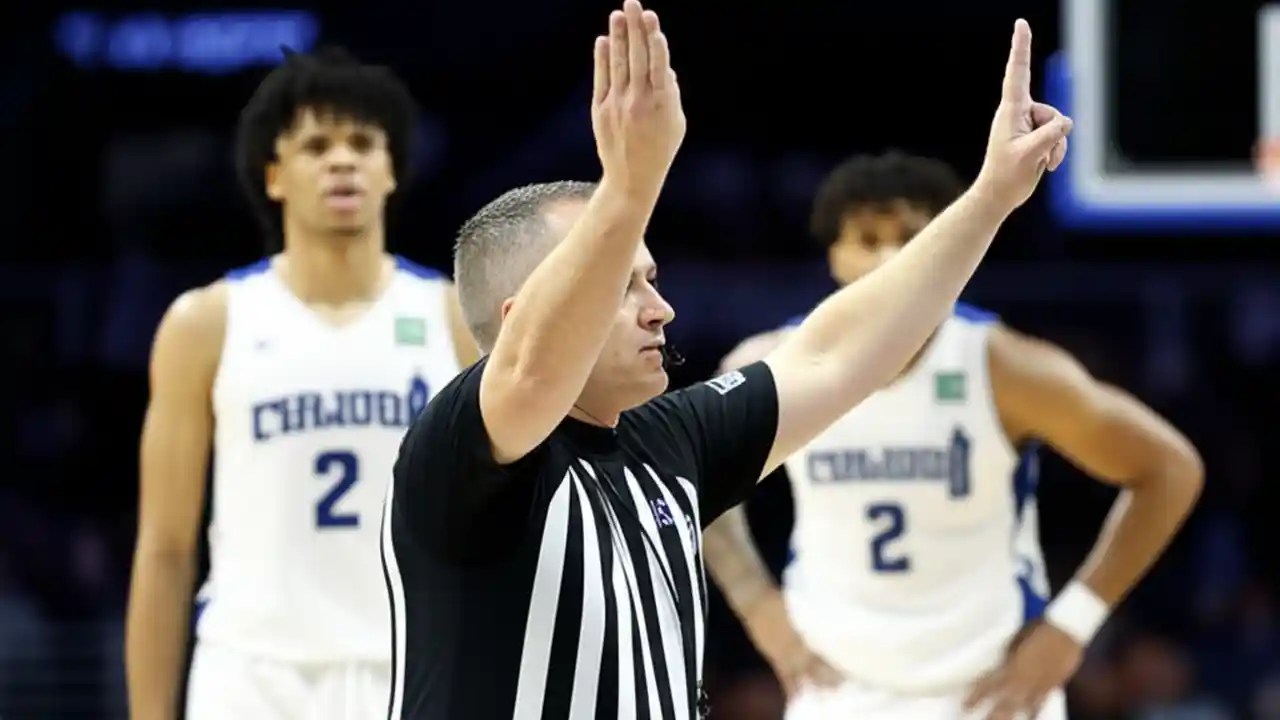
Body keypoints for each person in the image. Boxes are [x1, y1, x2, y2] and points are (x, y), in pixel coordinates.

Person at [381, 1, 1074, 717]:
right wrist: (629, 185)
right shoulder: (455, 451)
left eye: (652, 278)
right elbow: (528, 374)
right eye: (624, 284)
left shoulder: (669, 442)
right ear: (521, 314)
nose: (661, 309)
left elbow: (839, 352)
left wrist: (990, 197)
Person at [702, 150, 1204, 720]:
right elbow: (694, 486)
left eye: (912, 237)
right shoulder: (776, 365)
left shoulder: (1004, 367)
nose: (890, 258)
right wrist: (756, 605)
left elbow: (1169, 468)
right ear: (836, 256)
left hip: (991, 688)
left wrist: (1072, 626)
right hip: (837, 687)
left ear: (950, 247)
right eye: (867, 239)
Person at [124, 47, 478, 720]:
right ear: (275, 174)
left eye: (362, 143)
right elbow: (166, 550)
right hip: (249, 674)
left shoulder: (455, 317)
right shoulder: (205, 324)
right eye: (316, 145)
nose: (342, 159)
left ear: (393, 169)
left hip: (413, 666)